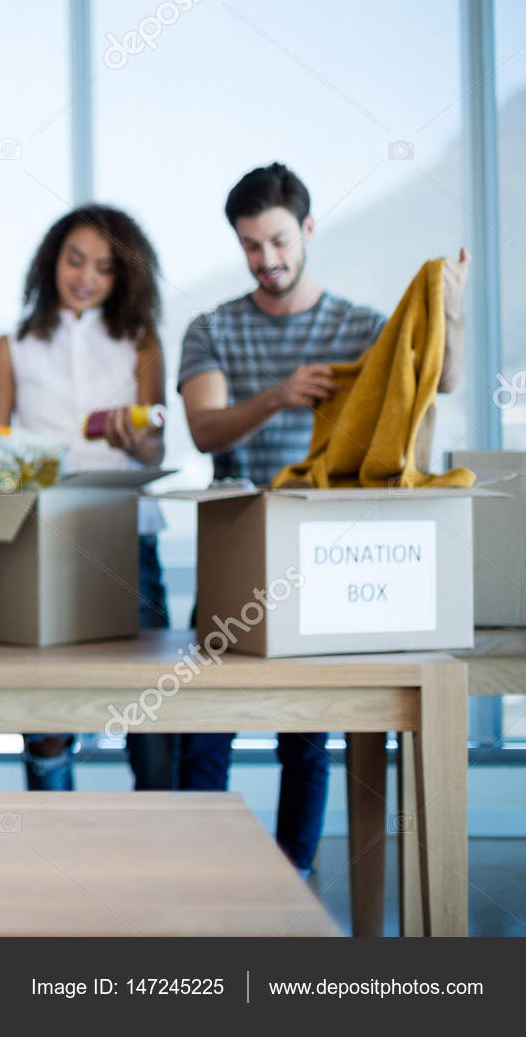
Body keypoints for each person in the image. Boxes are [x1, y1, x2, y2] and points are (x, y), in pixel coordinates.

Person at [177, 162, 468, 876]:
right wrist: (278, 395)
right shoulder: (211, 329)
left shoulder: (359, 326)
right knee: (204, 730)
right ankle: (197, 879)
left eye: (277, 240)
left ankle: (291, 884)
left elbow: (442, 381)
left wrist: (450, 308)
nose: (266, 259)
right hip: (237, 549)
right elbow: (205, 430)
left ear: (306, 228)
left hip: (319, 557)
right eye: (250, 246)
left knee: (306, 736)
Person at [0, 205, 171, 792]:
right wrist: (11, 471)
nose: (85, 275)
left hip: (127, 534)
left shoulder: (142, 343)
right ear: (51, 260)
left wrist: (139, 439)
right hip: (41, 538)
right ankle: (51, 840)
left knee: (153, 702)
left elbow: (154, 452)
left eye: (104, 267)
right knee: (44, 708)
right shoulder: (10, 346)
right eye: (74, 259)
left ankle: (161, 832)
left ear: (125, 278)